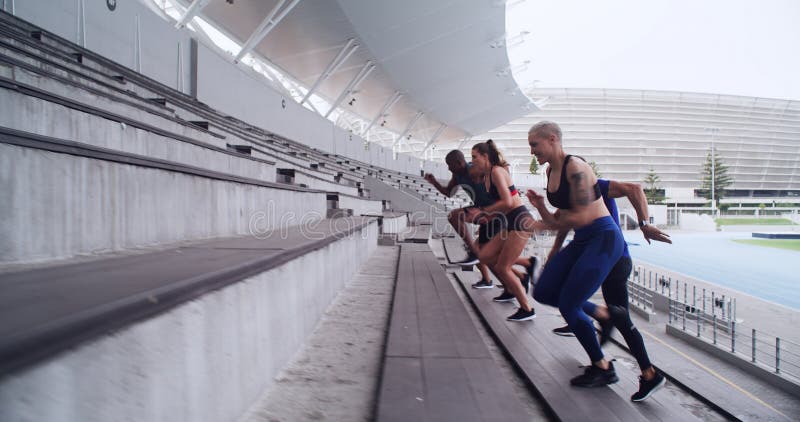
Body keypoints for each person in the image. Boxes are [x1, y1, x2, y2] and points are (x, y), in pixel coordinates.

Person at [547, 178, 671, 401]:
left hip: (613, 261)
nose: (552, 179)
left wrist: (644, 224)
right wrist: (554, 249)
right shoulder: (570, 197)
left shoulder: (596, 186)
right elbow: (562, 221)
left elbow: (634, 188)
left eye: (554, 174)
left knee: (616, 316)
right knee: (620, 319)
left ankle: (605, 323)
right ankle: (645, 371)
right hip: (603, 261)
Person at [525, 121, 626, 385]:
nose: (532, 151)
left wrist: (542, 224)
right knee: (544, 291)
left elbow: (579, 216)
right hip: (584, 238)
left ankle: (603, 367)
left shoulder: (576, 168)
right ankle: (602, 314)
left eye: (535, 145)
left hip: (603, 238)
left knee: (569, 304)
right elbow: (561, 217)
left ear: (552, 139)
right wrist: (540, 210)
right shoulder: (550, 172)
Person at [424, 150, 537, 291]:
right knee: (478, 248)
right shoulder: (457, 174)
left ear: (460, 163)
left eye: (450, 165)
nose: (448, 168)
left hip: (496, 213)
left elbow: (499, 177)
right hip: (481, 210)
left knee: (488, 256)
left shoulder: (478, 169)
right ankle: (493, 275)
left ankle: (517, 278)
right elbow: (449, 193)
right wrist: (434, 182)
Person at [471, 140, 542, 321]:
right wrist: (487, 218)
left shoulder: (496, 172)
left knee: (503, 267)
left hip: (520, 221)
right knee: (485, 256)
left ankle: (527, 308)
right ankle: (525, 269)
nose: (472, 161)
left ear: (486, 157)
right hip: (509, 221)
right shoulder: (488, 176)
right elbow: (502, 206)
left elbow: (508, 202)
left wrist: (484, 211)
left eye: (475, 157)